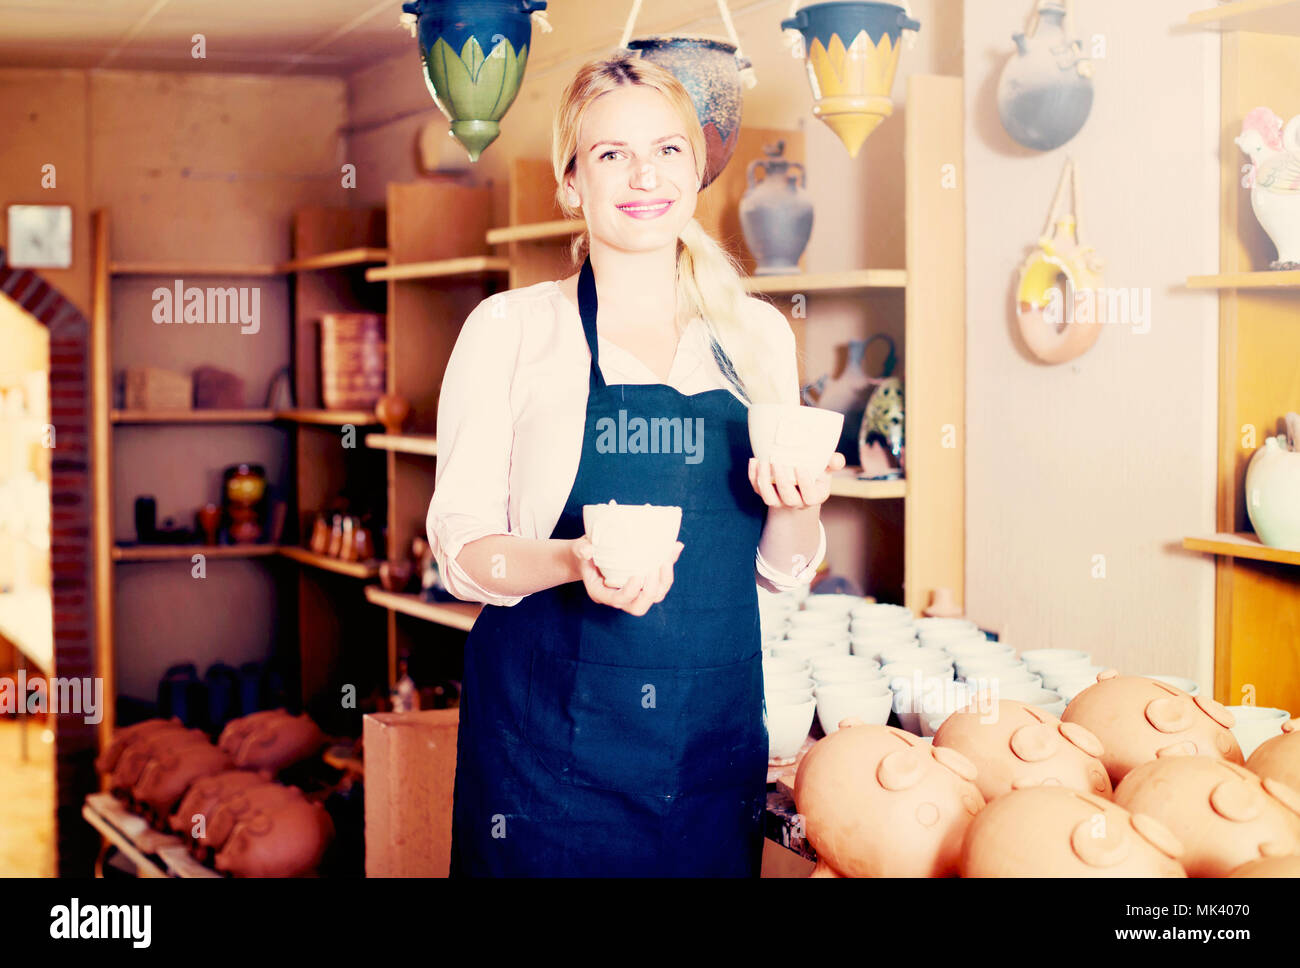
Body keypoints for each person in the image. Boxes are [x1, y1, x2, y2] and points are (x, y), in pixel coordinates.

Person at [426, 52, 844, 877]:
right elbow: (463, 556)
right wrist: (574, 559)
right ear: (571, 182)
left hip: (708, 750)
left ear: (697, 172)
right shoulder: (511, 330)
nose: (642, 174)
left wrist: (799, 505)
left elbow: (782, 572)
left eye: (668, 150)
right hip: (543, 753)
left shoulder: (756, 336)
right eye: (610, 154)